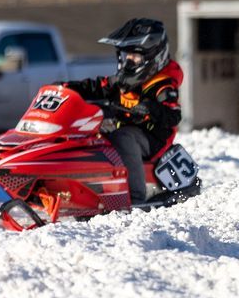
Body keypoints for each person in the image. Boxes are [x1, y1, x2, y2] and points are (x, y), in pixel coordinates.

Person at [63, 18, 182, 204]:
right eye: (126, 55)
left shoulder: (163, 85)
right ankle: (79, 186)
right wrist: (67, 88)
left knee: (123, 137)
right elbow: (98, 86)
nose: (129, 60)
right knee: (87, 131)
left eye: (135, 56)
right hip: (126, 128)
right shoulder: (124, 79)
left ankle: (135, 197)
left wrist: (148, 108)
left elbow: (173, 115)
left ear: (152, 56)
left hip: (153, 138)